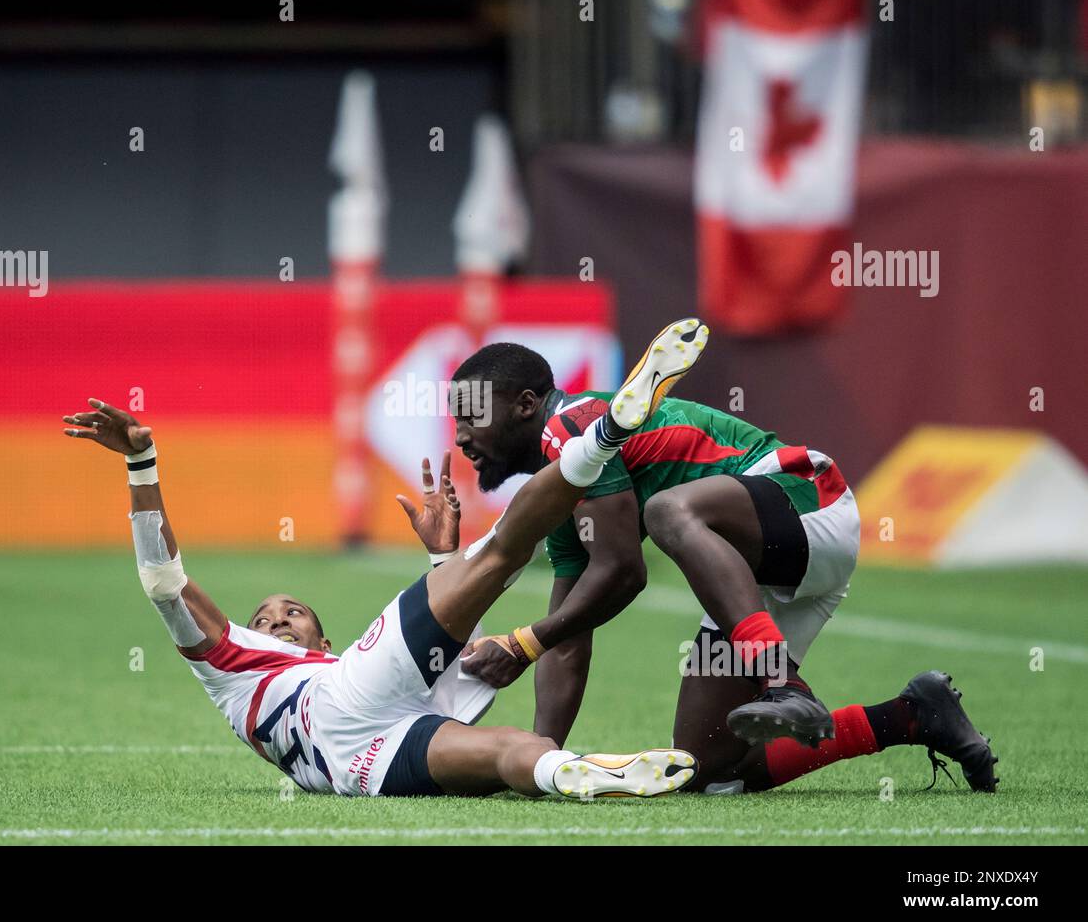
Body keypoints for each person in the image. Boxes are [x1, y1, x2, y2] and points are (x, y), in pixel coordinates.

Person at [57, 318, 710, 799]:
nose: (279, 618)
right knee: (517, 749)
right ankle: (586, 773)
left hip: (361, 715)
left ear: (326, 638)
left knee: (498, 555)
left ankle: (605, 430)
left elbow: (438, 663)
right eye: (269, 615)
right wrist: (141, 462)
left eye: (293, 612)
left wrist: (442, 558)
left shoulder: (339, 666)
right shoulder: (229, 668)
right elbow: (163, 581)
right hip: (364, 762)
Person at [450, 323, 998, 794]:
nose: (461, 436)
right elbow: (569, 636)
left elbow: (622, 573)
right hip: (758, 567)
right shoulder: (563, 486)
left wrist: (522, 643)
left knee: (667, 512)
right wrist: (546, 758)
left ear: (525, 404)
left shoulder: (570, 428)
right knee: (706, 766)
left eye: (472, 414)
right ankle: (913, 715)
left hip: (804, 500)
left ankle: (781, 679)